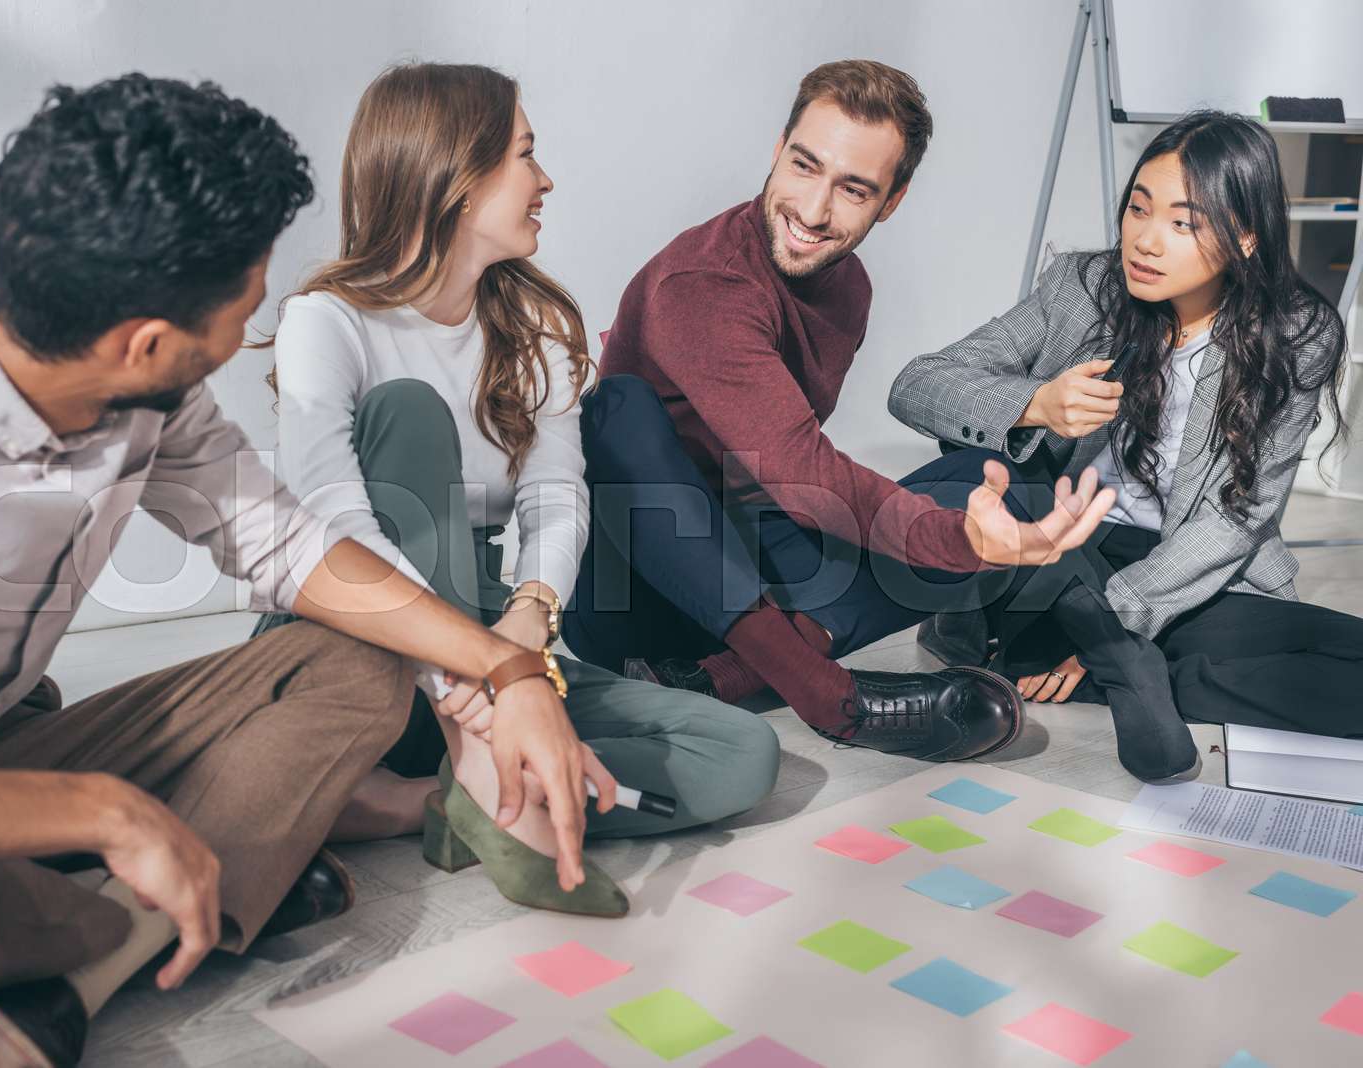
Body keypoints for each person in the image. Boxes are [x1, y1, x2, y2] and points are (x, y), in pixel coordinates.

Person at [0, 74, 621, 1068]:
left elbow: (290, 547)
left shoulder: (146, 389)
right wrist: (98, 812)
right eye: (241, 308)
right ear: (148, 343)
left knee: (353, 661)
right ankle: (177, 899)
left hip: (5, 744)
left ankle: (87, 946)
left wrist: (507, 668)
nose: (249, 331)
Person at [252, 63, 781, 915]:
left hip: (489, 637)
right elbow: (332, 522)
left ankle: (415, 802)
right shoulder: (328, 322)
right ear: (456, 177)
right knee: (409, 413)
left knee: (739, 754)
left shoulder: (532, 327)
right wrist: (470, 678)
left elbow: (555, 496)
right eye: (525, 155)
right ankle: (475, 772)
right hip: (354, 642)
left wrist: (528, 621)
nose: (545, 180)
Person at [563, 60, 1115, 763]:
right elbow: (799, 468)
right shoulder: (702, 281)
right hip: (636, 594)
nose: (814, 211)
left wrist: (976, 536)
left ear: (892, 200)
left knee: (996, 488)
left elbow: (792, 479)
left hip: (750, 559)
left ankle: (728, 675)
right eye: (804, 166)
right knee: (616, 409)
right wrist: (952, 542)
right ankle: (830, 697)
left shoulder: (847, 284)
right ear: (777, 151)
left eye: (853, 189)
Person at [889, 110, 1357, 748]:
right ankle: (1115, 658)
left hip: (1188, 562)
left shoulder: (1296, 334)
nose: (1146, 241)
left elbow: (1237, 516)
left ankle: (1121, 662)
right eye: (1139, 209)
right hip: (1062, 549)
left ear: (1246, 237)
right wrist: (1037, 405)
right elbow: (918, 384)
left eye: (1183, 223)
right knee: (985, 469)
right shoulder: (1085, 289)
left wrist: (1115, 616)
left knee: (1337, 654)